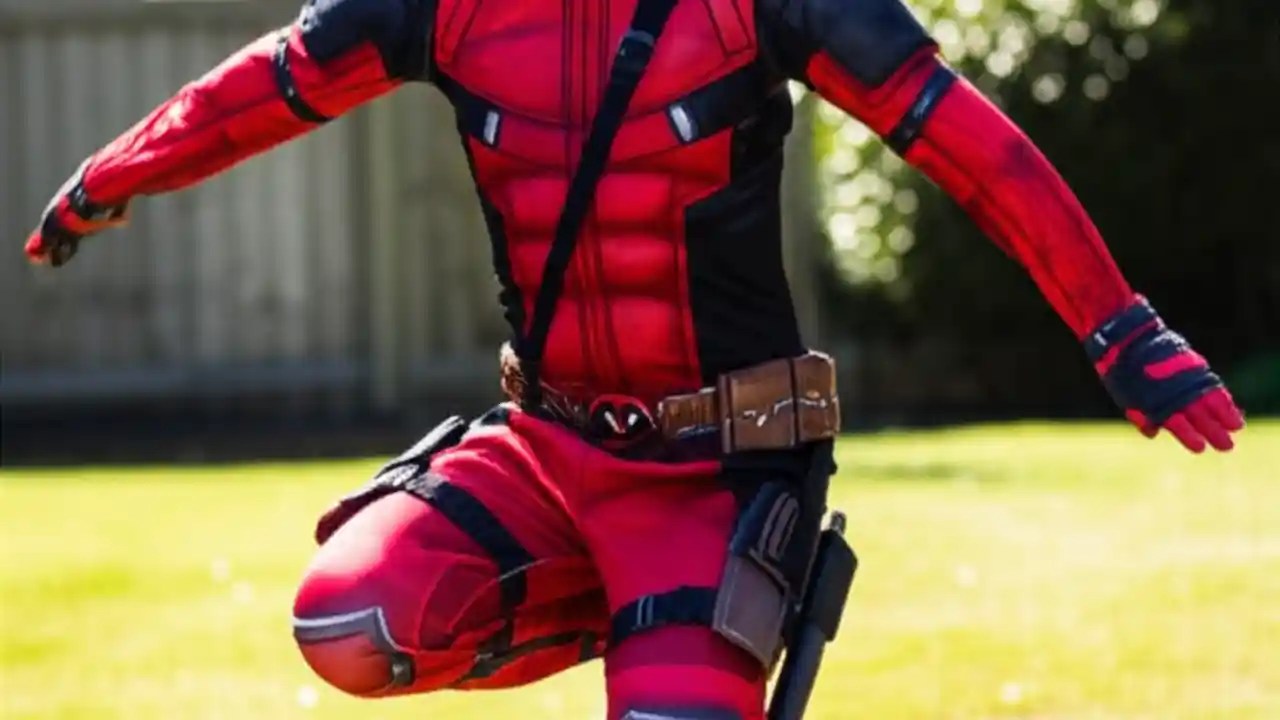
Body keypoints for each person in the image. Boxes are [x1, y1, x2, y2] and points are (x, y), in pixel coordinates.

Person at [23, 0, 1245, 718]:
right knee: (347, 621)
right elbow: (257, 89)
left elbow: (965, 143)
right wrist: (104, 181)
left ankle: (677, 628)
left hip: (719, 467)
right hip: (548, 447)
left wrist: (1116, 326)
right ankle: (646, 621)